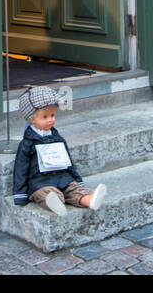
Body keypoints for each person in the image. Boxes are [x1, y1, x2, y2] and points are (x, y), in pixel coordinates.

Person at [11, 86, 105, 215]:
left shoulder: (57, 138)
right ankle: (55, 204)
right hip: (40, 181)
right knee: (45, 193)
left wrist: (77, 180)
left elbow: (68, 161)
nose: (51, 119)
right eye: (45, 117)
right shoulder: (27, 143)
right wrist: (20, 193)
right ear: (32, 119)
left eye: (52, 115)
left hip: (61, 176)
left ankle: (89, 200)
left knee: (73, 189)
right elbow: (20, 169)